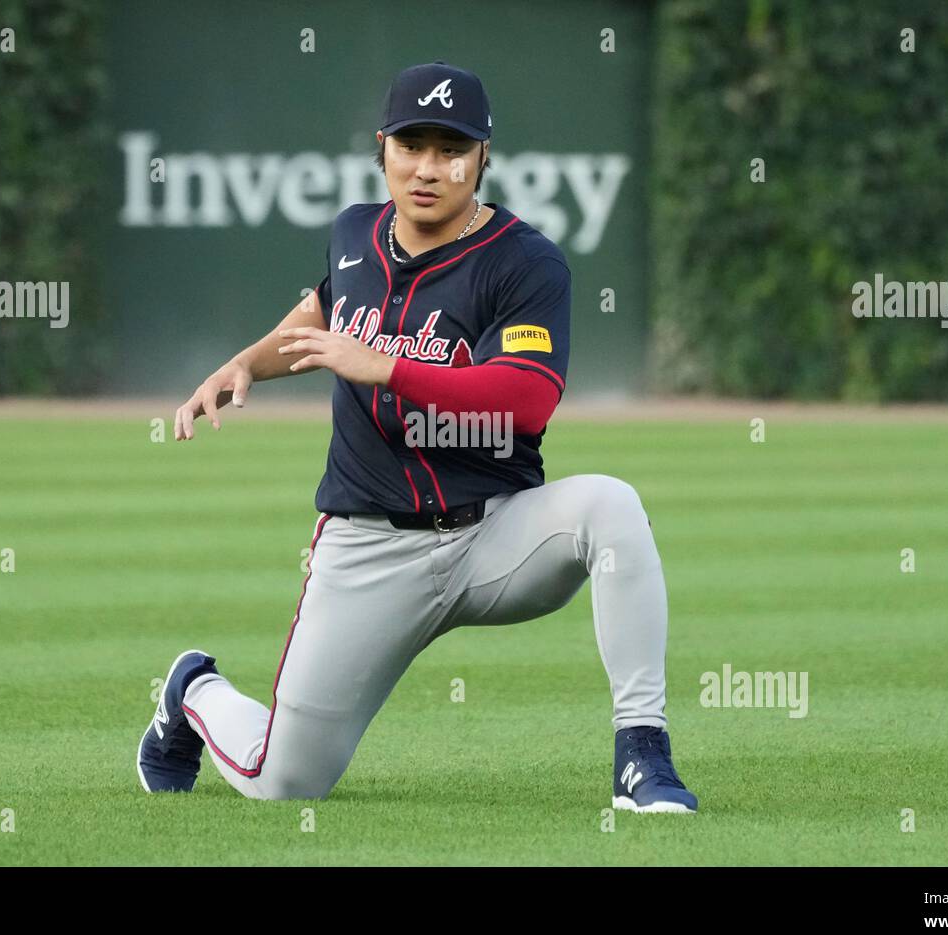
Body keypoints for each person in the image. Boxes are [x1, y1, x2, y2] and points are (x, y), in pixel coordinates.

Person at [137, 62, 698, 814]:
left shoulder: (525, 261)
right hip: (369, 548)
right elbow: (315, 318)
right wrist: (246, 362)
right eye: (412, 145)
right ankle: (194, 691)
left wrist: (387, 367)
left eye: (450, 148)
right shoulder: (353, 234)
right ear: (383, 148)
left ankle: (643, 757)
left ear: (483, 157)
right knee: (288, 781)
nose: (428, 168)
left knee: (611, 507)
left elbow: (525, 400)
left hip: (495, 535)